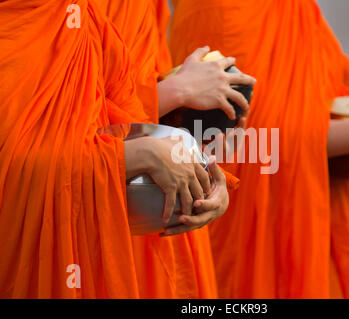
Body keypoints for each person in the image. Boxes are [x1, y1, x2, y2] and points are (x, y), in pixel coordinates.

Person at [169, 0, 349, 298]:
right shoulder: (218, 9)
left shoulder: (293, 8)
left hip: (315, 228)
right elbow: (247, 145)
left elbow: (312, 99)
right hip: (258, 244)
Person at [0, 0, 222, 298]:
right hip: (53, 257)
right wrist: (142, 149)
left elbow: (127, 119)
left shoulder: (101, 18)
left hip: (144, 236)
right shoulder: (23, 16)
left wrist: (205, 177)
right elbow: (14, 169)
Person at [95, 0, 255, 298]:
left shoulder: (149, 6)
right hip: (96, 224)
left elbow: (158, 124)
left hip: (161, 212)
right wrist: (176, 91)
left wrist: (209, 174)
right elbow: (54, 130)